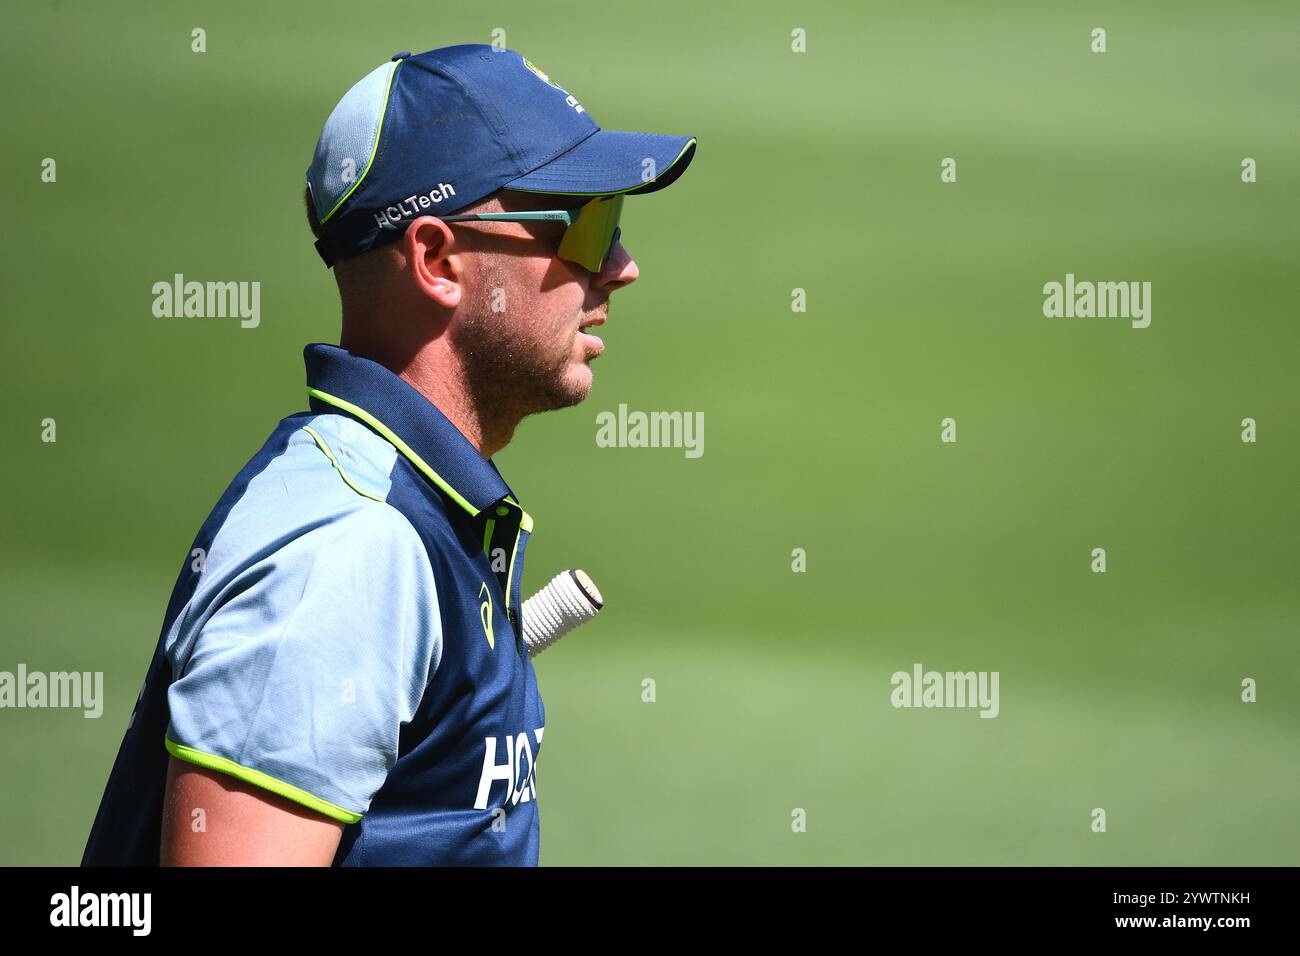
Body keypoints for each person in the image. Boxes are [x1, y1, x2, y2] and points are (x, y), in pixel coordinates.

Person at [81, 44, 697, 866]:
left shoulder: (412, 511)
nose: (622, 266)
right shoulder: (347, 550)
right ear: (438, 259)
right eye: (585, 226)